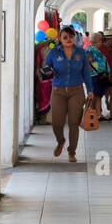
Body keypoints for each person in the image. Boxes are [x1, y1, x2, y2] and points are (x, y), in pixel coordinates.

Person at [45, 25, 95, 162]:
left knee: (74, 123)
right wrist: (48, 71)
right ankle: (60, 140)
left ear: (75, 38)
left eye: (71, 37)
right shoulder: (54, 53)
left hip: (76, 92)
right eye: (65, 37)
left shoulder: (81, 53)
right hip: (58, 92)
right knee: (57, 122)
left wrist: (90, 90)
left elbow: (86, 73)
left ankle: (72, 152)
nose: (68, 39)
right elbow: (46, 67)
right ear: (60, 39)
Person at [87, 31, 110, 115]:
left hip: (100, 76)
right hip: (94, 76)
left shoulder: (96, 50)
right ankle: (91, 114)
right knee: (95, 96)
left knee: (98, 96)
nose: (102, 42)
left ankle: (98, 114)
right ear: (96, 41)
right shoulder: (90, 50)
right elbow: (86, 61)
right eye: (101, 40)